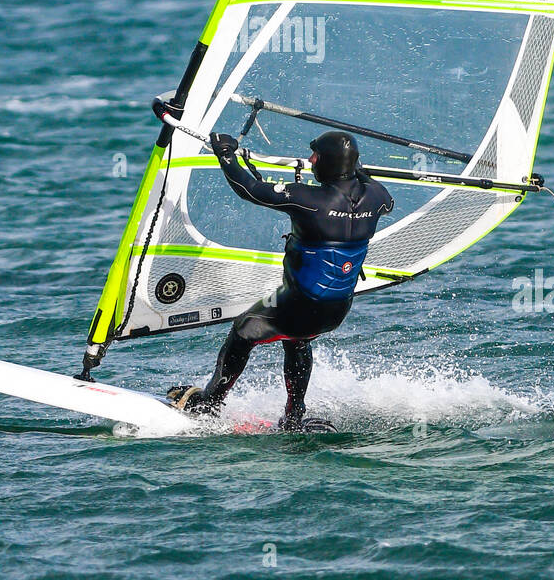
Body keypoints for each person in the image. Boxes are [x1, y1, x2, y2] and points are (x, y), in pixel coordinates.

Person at [166, 130, 394, 430]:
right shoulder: (378, 197)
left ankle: (209, 403)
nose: (310, 160)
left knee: (244, 330)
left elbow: (249, 189)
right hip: (337, 309)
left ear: (328, 163)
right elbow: (371, 187)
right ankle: (294, 416)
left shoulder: (308, 199)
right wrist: (353, 168)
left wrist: (225, 154)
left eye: (316, 156)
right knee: (297, 338)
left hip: (300, 303)